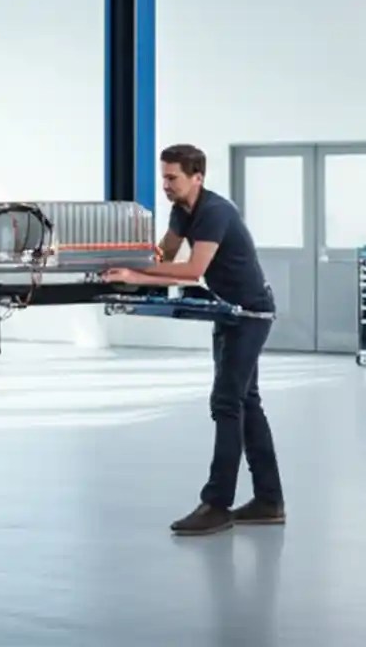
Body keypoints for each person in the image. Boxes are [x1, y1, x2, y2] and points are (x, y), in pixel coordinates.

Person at [102, 143, 285, 537]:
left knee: (226, 403)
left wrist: (135, 275)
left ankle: (216, 504)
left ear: (197, 177)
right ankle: (269, 501)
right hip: (229, 311)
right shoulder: (181, 211)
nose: (165, 185)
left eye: (173, 178)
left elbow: (192, 270)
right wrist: (127, 257)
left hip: (250, 315)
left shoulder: (215, 212)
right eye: (163, 177)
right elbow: (165, 255)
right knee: (246, 403)